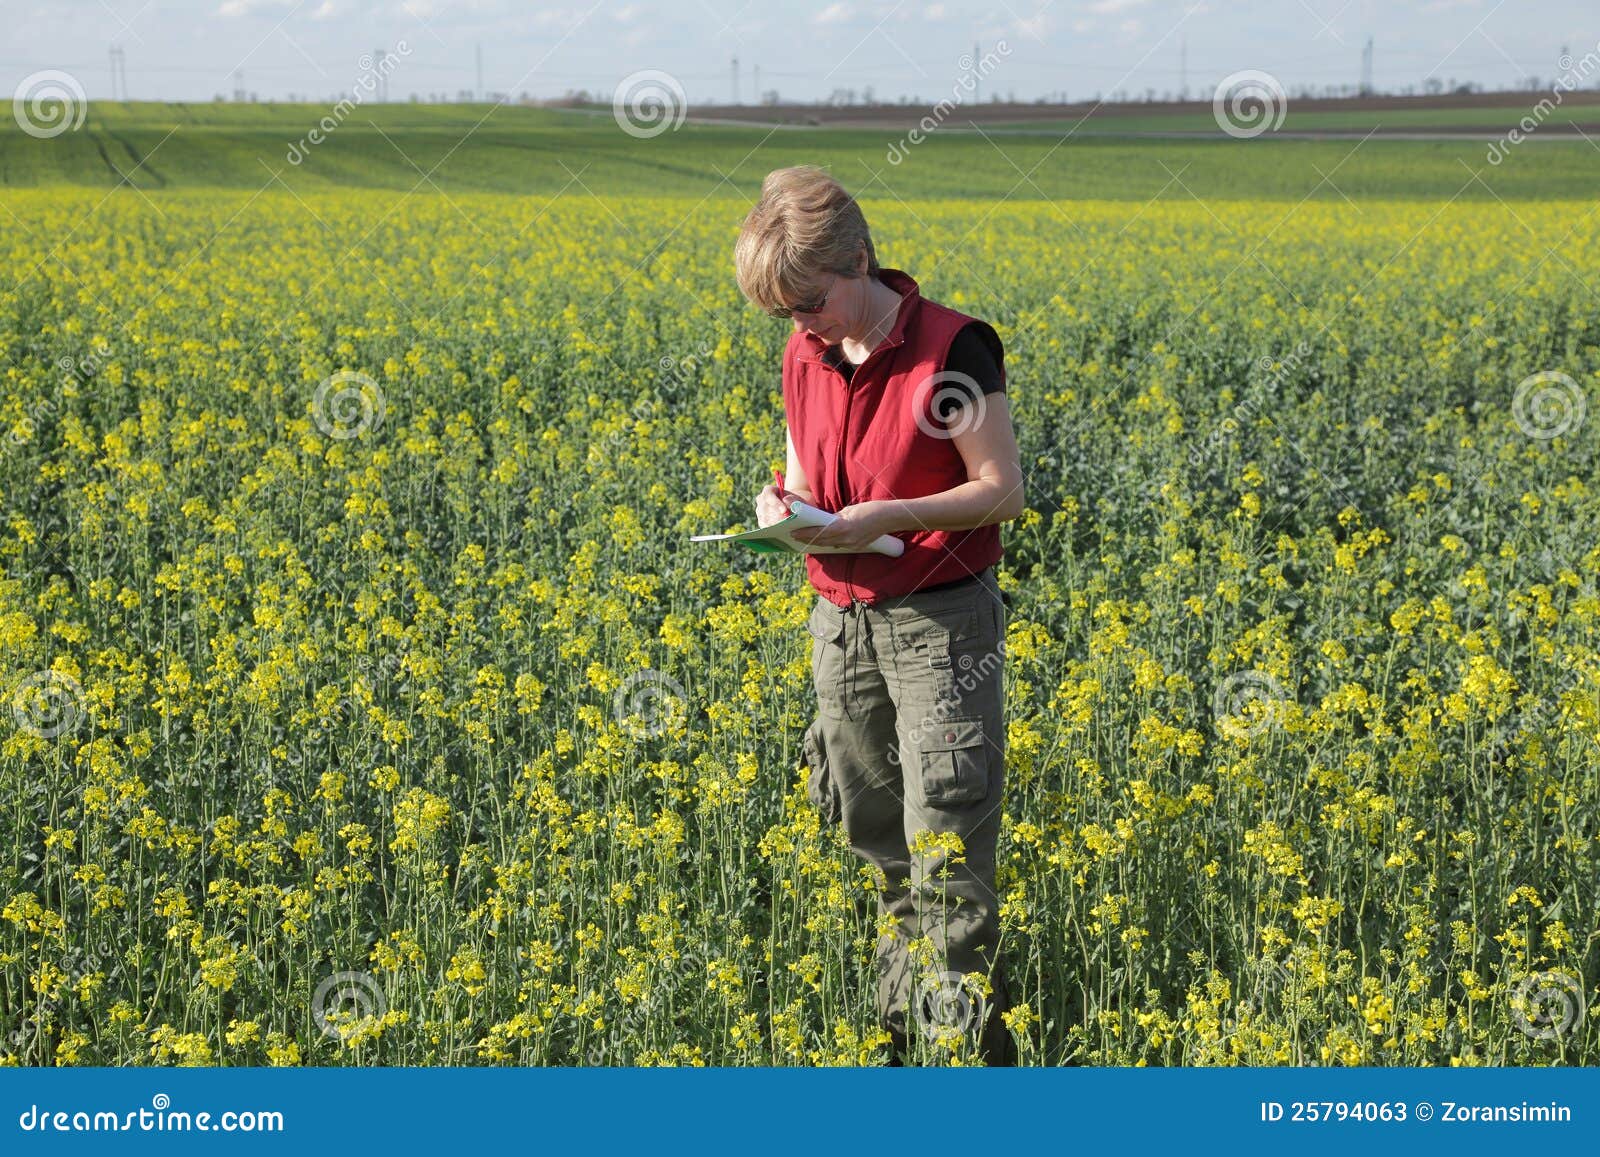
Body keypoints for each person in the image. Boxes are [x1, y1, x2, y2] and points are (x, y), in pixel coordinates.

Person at [734, 165, 1025, 1066]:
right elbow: (808, 478)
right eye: (783, 313)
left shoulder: (952, 352)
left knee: (944, 835)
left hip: (940, 627)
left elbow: (1003, 491)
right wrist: (787, 511)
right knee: (873, 832)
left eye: (809, 301)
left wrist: (885, 517)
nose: (799, 325)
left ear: (858, 259)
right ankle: (904, 1034)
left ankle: (974, 1048)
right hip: (843, 623)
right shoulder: (805, 355)